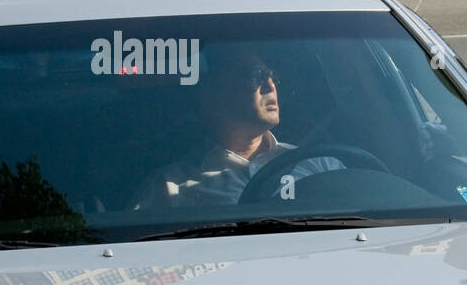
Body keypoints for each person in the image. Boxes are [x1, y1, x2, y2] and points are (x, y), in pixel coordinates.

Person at [131, 50, 342, 208]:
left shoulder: (321, 164)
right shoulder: (169, 188)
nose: (270, 85)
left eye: (272, 76)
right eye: (255, 75)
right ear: (213, 99)